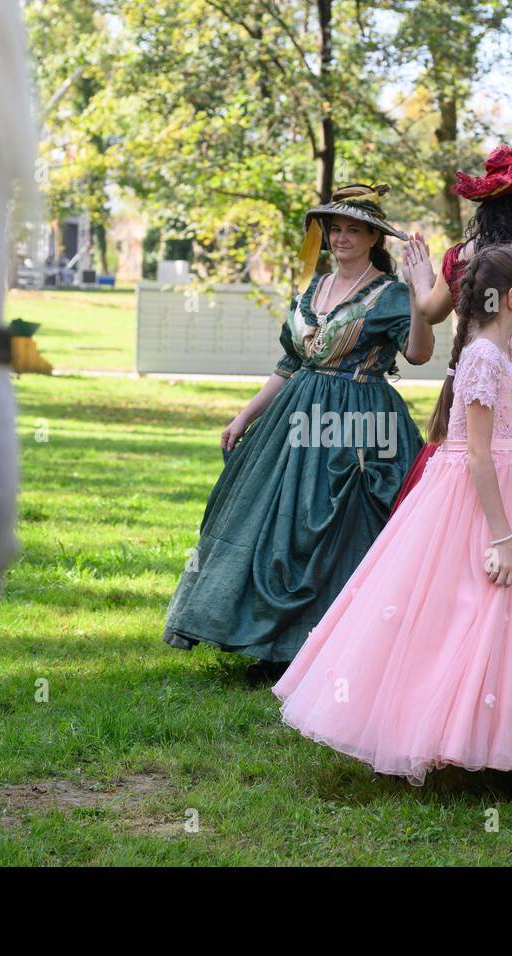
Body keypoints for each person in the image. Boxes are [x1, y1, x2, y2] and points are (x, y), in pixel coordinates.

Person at [274, 246, 512, 803]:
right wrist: (501, 536)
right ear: (511, 300)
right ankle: (495, 756)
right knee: (479, 618)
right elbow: (477, 455)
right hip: (489, 508)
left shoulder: (496, 353)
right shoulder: (480, 358)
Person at [163, 183, 430, 682]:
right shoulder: (312, 288)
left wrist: (419, 296)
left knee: (342, 527)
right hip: (294, 414)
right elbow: (289, 363)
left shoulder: (391, 294)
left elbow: (417, 354)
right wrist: (245, 415)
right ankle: (271, 642)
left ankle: (340, 645)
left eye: (354, 230)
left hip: (360, 420)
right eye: (335, 229)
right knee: (275, 523)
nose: (342, 237)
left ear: (375, 237)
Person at [389, 137, 512, 516]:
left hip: (464, 376)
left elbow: (430, 311)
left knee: (460, 478)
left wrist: (418, 280)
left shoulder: (461, 254)